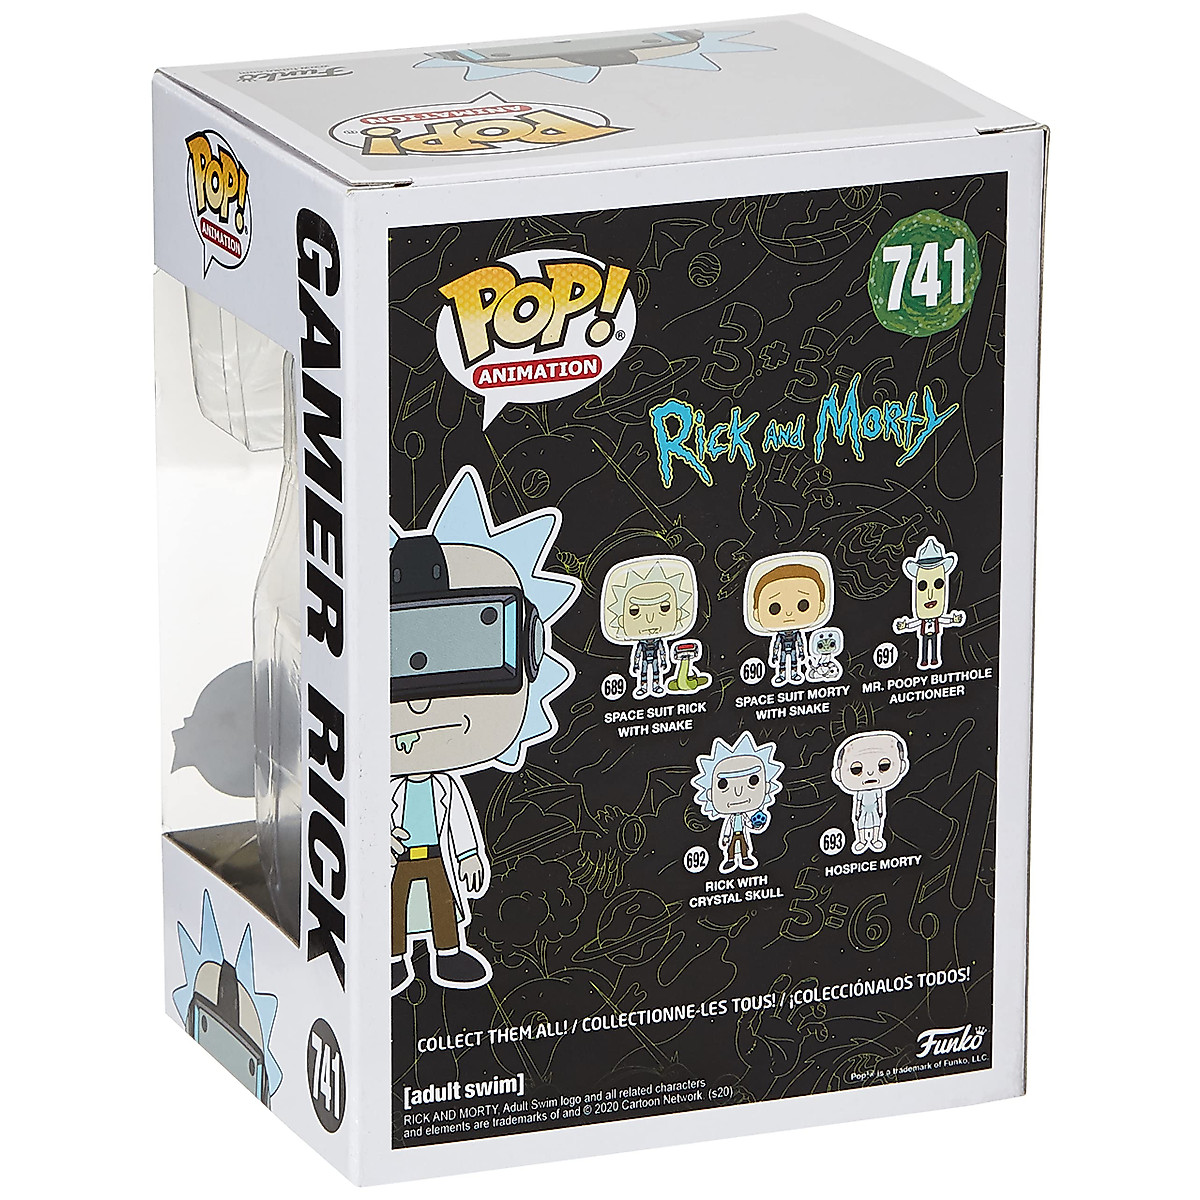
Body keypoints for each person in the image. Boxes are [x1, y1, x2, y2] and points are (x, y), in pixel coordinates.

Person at [389, 467, 578, 993]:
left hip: (437, 859)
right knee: (394, 910)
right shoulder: (380, 789)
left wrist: (471, 856)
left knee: (443, 907)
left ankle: (448, 955)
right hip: (396, 861)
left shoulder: (446, 786)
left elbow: (461, 823)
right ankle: (393, 960)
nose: (421, 700)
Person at [892, 535, 966, 670]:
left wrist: (953, 620)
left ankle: (934, 658)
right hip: (925, 633)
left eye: (938, 584)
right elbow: (915, 623)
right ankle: (924, 660)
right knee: (925, 646)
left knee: (934, 644)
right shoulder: (922, 620)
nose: (930, 595)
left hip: (935, 633)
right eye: (922, 586)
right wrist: (905, 626)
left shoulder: (938, 618)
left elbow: (945, 620)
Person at [831, 730, 909, 855]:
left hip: (874, 810)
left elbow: (880, 800)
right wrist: (856, 812)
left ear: (902, 766)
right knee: (861, 825)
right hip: (863, 810)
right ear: (838, 774)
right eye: (856, 769)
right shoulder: (860, 792)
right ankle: (861, 840)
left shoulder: (878, 790)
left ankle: (875, 839)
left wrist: (881, 810)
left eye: (884, 766)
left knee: (876, 824)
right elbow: (857, 802)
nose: (870, 773)